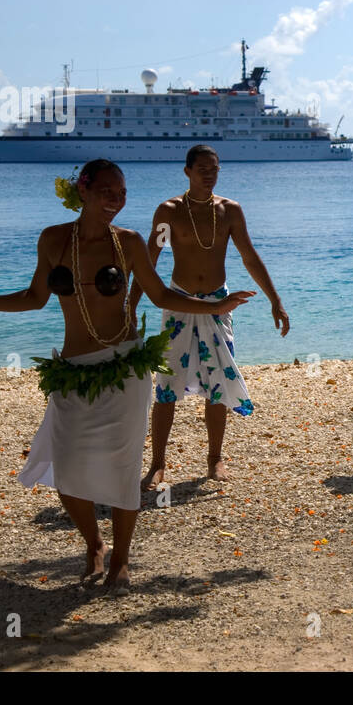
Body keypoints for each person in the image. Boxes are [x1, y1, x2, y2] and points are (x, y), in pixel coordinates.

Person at [0, 159, 251, 592]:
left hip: (125, 368)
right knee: (65, 467)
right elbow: (34, 297)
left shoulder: (129, 242)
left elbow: (159, 293)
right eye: (105, 190)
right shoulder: (53, 240)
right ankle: (94, 544)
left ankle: (122, 558)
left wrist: (216, 307)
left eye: (120, 192)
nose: (114, 199)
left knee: (123, 468)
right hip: (73, 369)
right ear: (81, 191)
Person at [130, 145, 289, 488]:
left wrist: (275, 299)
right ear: (187, 171)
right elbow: (149, 260)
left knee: (218, 383)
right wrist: (130, 306)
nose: (209, 173)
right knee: (167, 386)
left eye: (214, 168)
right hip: (178, 303)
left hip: (220, 303)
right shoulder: (168, 211)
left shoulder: (230, 210)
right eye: (202, 168)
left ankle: (215, 459)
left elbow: (248, 255)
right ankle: (158, 464)